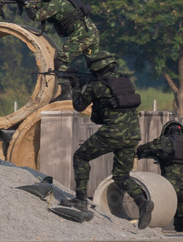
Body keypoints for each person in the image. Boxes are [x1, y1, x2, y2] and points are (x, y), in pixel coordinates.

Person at [65, 51, 154, 229]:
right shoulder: (126, 82)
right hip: (133, 134)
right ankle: (142, 202)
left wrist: (75, 86)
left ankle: (80, 200)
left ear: (97, 68)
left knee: (80, 157)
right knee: (121, 176)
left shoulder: (96, 86)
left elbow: (78, 106)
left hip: (112, 133)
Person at [20, 0, 101, 99]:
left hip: (81, 35)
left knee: (60, 62)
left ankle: (66, 92)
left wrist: (26, 2)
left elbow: (36, 16)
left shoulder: (56, 3)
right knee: (96, 64)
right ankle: (101, 90)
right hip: (91, 32)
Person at [136, 120, 183, 233]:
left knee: (159, 201)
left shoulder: (166, 140)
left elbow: (149, 147)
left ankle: (150, 219)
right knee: (181, 213)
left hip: (170, 185)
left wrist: (137, 151)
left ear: (167, 131)